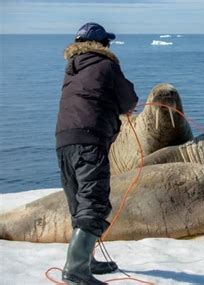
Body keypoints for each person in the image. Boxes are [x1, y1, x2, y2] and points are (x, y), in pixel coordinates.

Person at [55, 22, 138, 285]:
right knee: (94, 203)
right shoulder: (106, 65)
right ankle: (76, 271)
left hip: (63, 141)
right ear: (103, 44)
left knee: (79, 203)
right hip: (89, 142)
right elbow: (129, 100)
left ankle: (86, 261)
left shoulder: (71, 70)